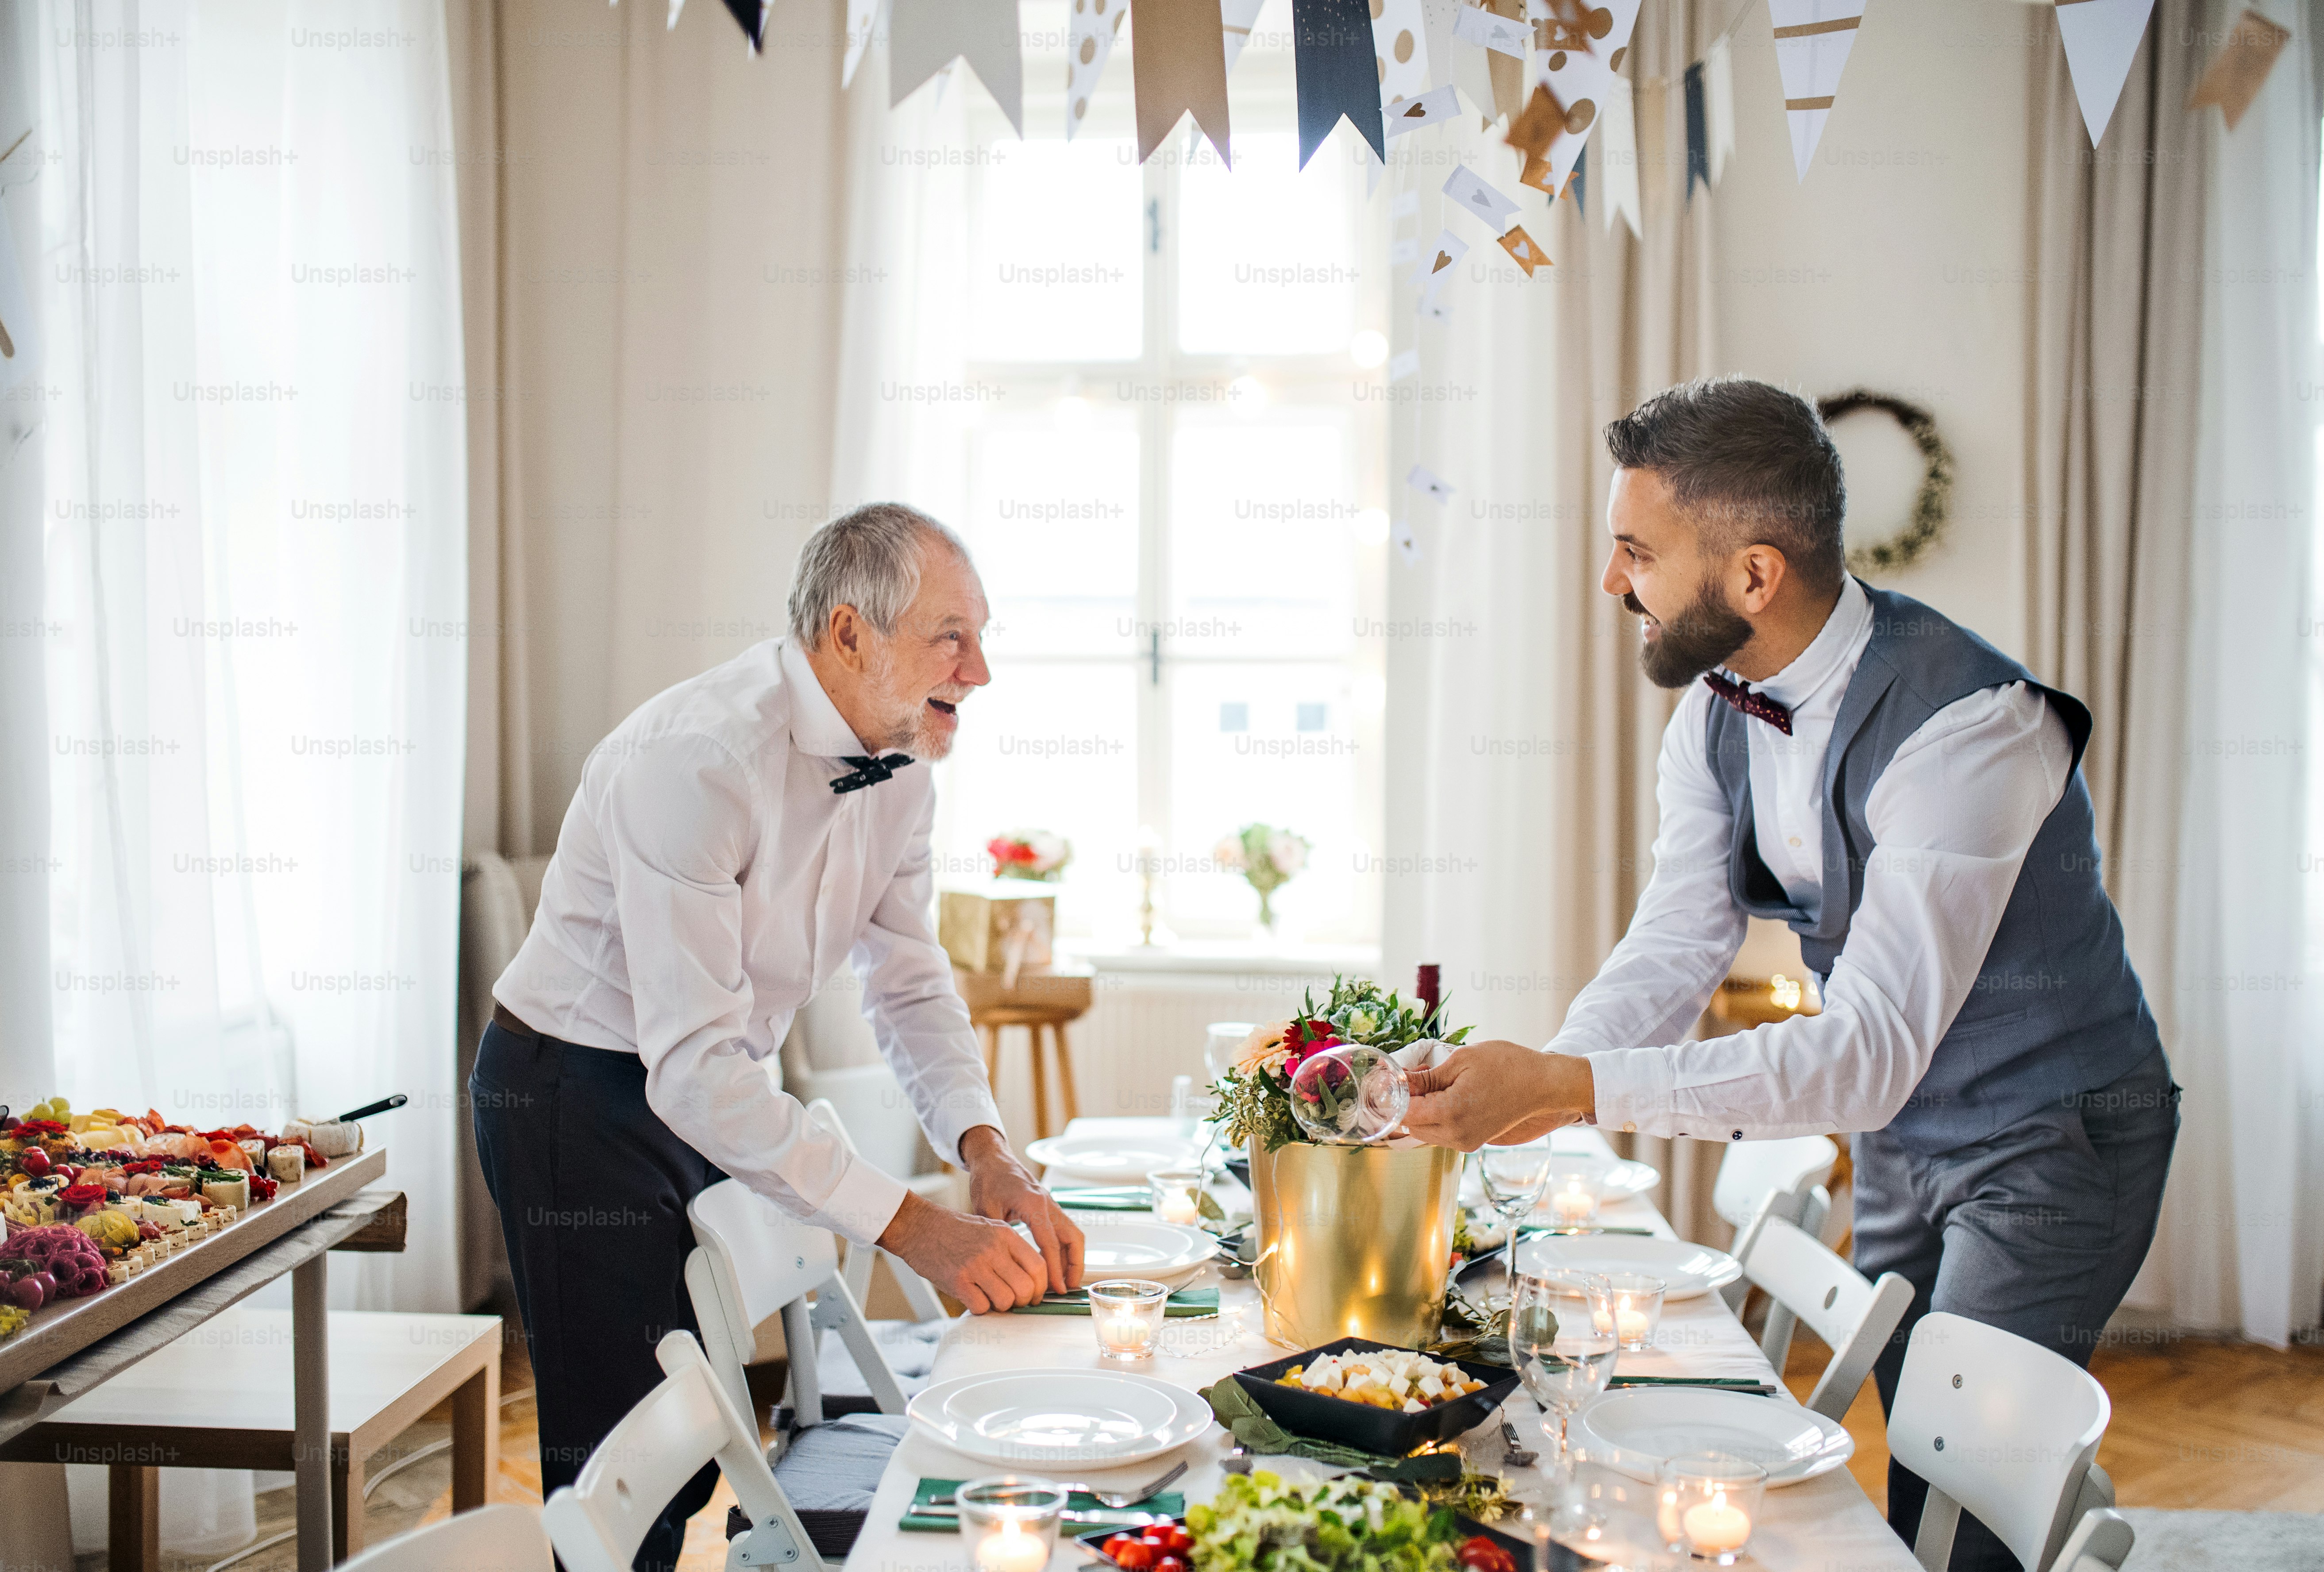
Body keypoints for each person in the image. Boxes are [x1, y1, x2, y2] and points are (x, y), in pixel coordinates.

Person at [1402, 378, 2177, 1572]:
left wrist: (1569, 1083)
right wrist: (1550, 1088)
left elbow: (1862, 1058)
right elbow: (1673, 944)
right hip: (1912, 1134)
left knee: (1956, 1517)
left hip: (2053, 1133)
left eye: (1634, 553)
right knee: (1915, 1458)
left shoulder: (1972, 730)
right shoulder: (1715, 712)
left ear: (1753, 576)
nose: (1613, 584)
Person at [471, 503, 1084, 1572]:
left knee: (700, 1440)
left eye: (981, 637)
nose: (978, 670)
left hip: (704, 1081)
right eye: (953, 635)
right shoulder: (697, 759)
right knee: (621, 1463)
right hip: (570, 1089)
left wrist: (982, 1152)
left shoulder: (903, 764)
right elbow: (697, 1066)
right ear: (850, 635)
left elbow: (907, 977)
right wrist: (912, 1228)